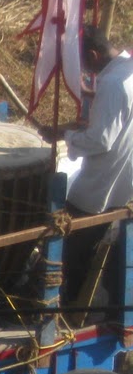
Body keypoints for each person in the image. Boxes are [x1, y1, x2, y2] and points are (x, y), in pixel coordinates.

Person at [61, 25, 133, 301]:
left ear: (92, 55)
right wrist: (93, 96)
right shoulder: (126, 69)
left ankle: (69, 305)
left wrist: (65, 135)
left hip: (101, 186)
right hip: (124, 180)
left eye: (83, 63)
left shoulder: (113, 84)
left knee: (73, 252)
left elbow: (101, 140)